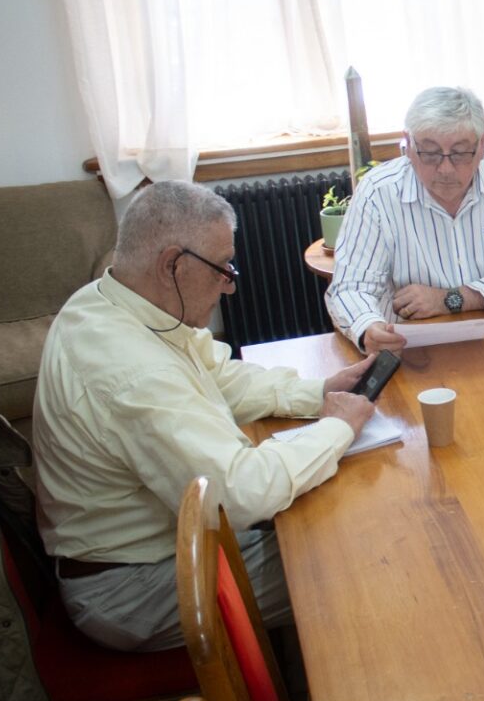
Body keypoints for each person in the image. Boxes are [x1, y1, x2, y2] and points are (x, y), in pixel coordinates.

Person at [33, 180, 378, 652]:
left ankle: (298, 676)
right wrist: (339, 427)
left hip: (158, 550)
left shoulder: (111, 299)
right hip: (132, 588)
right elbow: (240, 495)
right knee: (363, 554)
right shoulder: (132, 370)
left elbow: (215, 375)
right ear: (173, 264)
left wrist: (318, 393)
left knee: (331, 518)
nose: (230, 284)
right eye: (222, 268)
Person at [326, 85, 484, 355]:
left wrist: (454, 298)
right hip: (412, 350)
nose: (445, 168)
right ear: (408, 145)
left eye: (459, 153)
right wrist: (367, 327)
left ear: (481, 145)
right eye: (430, 153)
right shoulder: (378, 191)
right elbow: (350, 288)